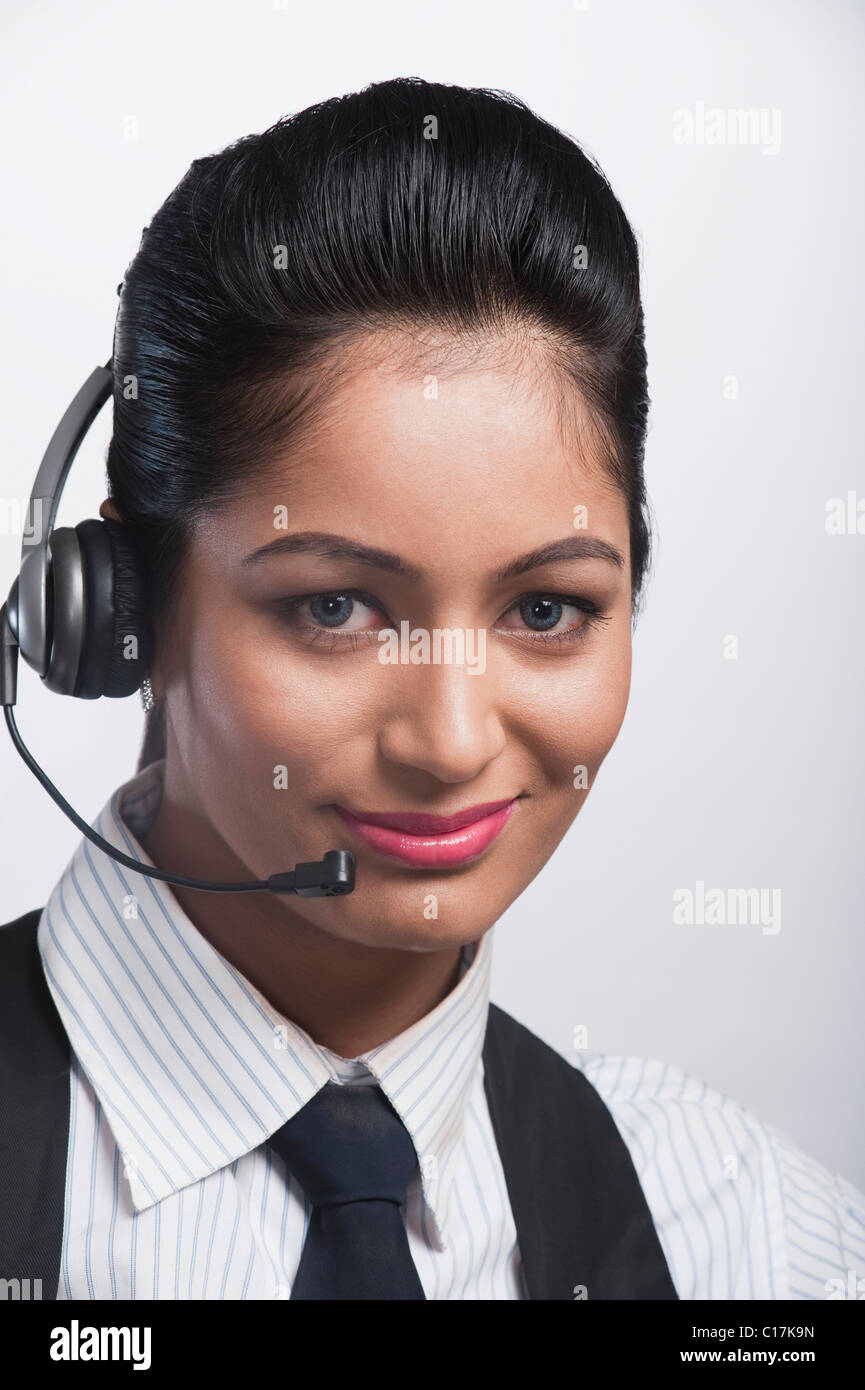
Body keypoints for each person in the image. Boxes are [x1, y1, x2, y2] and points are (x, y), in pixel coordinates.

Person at [1, 76, 863, 1301]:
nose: (452, 743)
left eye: (545, 609)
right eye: (335, 608)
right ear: (126, 613)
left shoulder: (753, 1241)